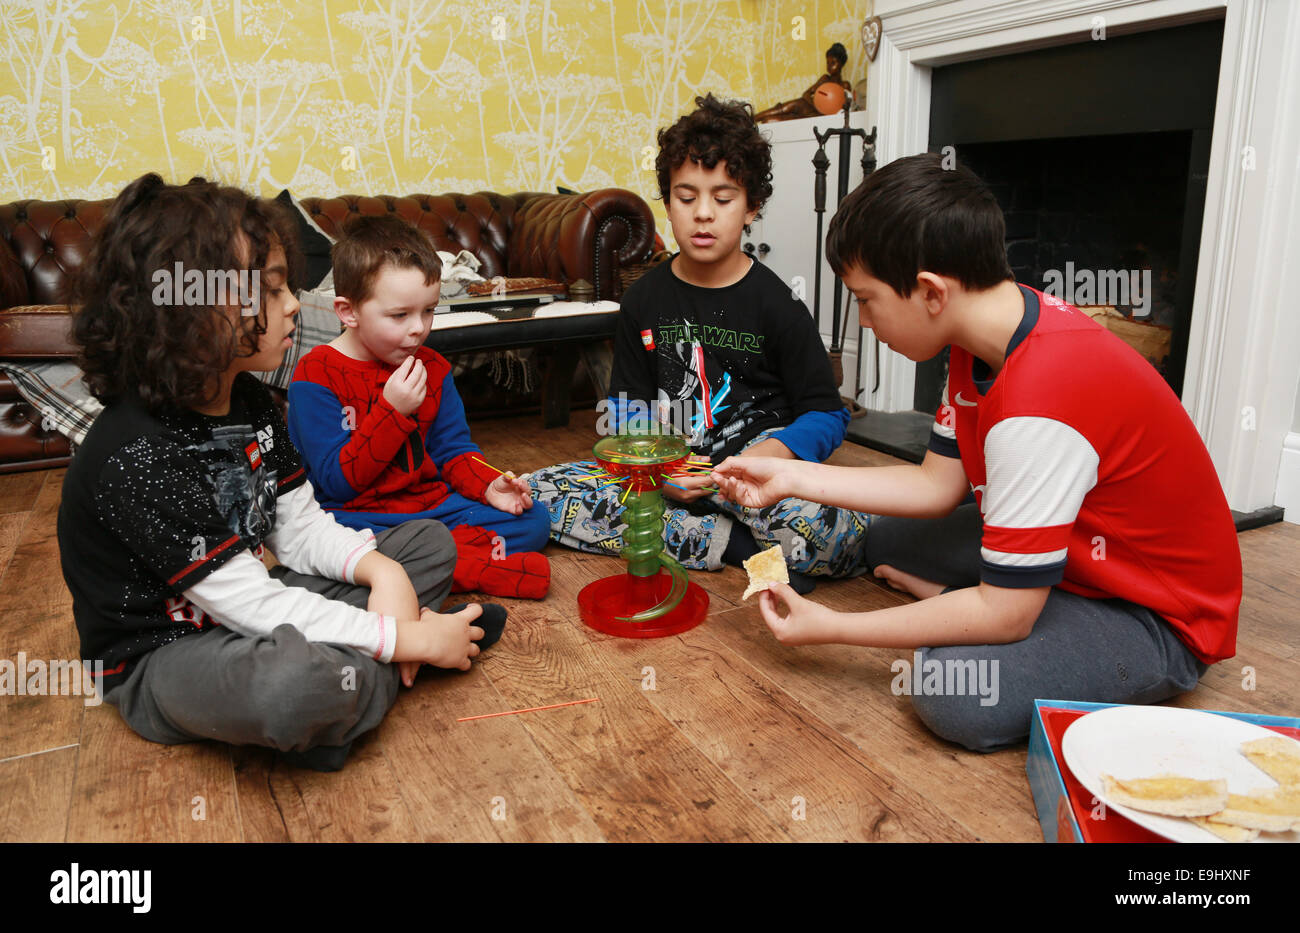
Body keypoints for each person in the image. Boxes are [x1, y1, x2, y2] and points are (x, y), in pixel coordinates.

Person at [710, 152, 1242, 751]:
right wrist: (787, 474)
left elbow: (1007, 616)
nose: (864, 321)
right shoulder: (984, 333)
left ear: (931, 292)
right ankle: (979, 598)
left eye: (865, 299)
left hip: (1156, 615)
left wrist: (834, 627)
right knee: (884, 539)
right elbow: (936, 487)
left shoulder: (1039, 402)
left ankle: (970, 603)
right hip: (1073, 550)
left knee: (951, 690)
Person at [57, 174, 502, 773]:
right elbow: (244, 603)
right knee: (293, 687)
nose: (294, 302)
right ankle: (377, 678)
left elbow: (298, 531)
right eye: (268, 291)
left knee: (426, 543)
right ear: (188, 312)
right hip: (172, 651)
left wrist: (385, 571)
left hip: (263, 599)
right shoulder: (135, 451)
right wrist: (409, 638)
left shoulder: (255, 405)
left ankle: (356, 689)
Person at [528, 94, 873, 588]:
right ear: (667, 203)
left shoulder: (778, 304)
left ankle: (729, 538)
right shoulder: (643, 299)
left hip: (752, 478)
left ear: (752, 207)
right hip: (670, 471)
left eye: (723, 198)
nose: (703, 214)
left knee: (829, 532)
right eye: (686, 198)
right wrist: (655, 469)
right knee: (539, 492)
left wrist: (766, 458)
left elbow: (827, 413)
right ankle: (734, 547)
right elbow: (629, 407)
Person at [287, 214, 550, 600]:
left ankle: (432, 565)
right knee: (334, 547)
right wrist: (392, 413)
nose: (418, 328)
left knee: (534, 520)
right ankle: (465, 565)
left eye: (428, 311)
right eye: (399, 315)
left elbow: (454, 451)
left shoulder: (432, 368)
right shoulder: (316, 375)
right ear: (348, 312)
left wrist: (488, 486)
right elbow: (337, 483)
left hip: (432, 507)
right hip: (359, 517)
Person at [754, 43, 853, 123]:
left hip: (818, 115)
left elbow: (845, 109)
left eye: (833, 63)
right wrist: (816, 104)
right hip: (808, 106)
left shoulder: (844, 85)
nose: (829, 66)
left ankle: (764, 120)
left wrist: (824, 109)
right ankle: (752, 119)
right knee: (789, 106)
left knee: (768, 121)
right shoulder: (825, 78)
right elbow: (806, 94)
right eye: (827, 62)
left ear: (841, 64)